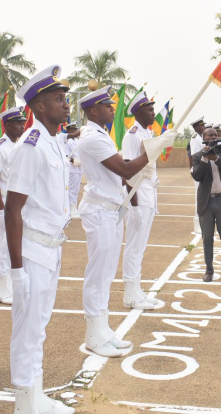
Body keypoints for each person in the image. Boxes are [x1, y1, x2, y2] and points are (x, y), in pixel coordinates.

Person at [76, 87, 175, 358]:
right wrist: (157, 148)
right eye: (108, 106)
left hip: (109, 209)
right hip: (99, 211)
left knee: (106, 273)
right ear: (94, 110)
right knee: (98, 274)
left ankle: (103, 328)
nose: (113, 109)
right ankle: (93, 333)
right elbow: (126, 169)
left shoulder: (101, 135)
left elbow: (121, 172)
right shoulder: (92, 138)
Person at [4, 66, 75, 414]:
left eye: (65, 98)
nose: (66, 104)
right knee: (28, 328)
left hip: (50, 247)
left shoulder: (55, 143)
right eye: (58, 99)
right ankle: (24, 403)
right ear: (40, 106)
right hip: (32, 250)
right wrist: (16, 269)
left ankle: (36, 395)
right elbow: (12, 209)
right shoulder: (31, 146)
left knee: (39, 327)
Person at [121, 92, 162, 310]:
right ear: (138, 112)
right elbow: (128, 171)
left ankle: (136, 289)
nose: (153, 113)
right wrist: (134, 206)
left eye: (153, 109)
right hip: (138, 195)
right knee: (134, 245)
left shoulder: (147, 131)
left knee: (141, 245)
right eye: (149, 110)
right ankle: (129, 291)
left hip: (148, 193)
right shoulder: (133, 135)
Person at [0, 106, 27, 306]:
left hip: (16, 205)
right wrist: (2, 209)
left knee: (14, 244)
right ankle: (0, 289)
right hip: (2, 204)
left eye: (23, 122)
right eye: (19, 123)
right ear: (8, 124)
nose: (22, 126)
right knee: (1, 245)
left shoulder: (18, 146)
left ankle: (11, 286)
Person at [192, 127, 221, 283]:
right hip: (206, 202)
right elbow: (197, 176)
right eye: (209, 135)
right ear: (203, 138)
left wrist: (217, 159)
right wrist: (206, 159)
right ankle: (209, 270)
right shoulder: (198, 156)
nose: (213, 136)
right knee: (207, 238)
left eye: (214, 134)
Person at [188, 118, 205, 234]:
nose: (204, 127)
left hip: (202, 169)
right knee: (198, 196)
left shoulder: (200, 138)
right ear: (197, 127)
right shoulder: (195, 139)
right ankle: (197, 224)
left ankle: (202, 222)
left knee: (202, 195)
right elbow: (194, 156)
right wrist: (195, 170)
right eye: (202, 125)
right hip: (198, 170)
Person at [62, 122, 83, 218]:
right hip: (71, 168)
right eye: (74, 129)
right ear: (69, 130)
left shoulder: (77, 141)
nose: (75, 131)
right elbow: (66, 156)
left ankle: (74, 208)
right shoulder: (67, 142)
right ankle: (70, 210)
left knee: (76, 188)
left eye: (76, 129)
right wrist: (75, 160)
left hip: (78, 168)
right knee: (71, 189)